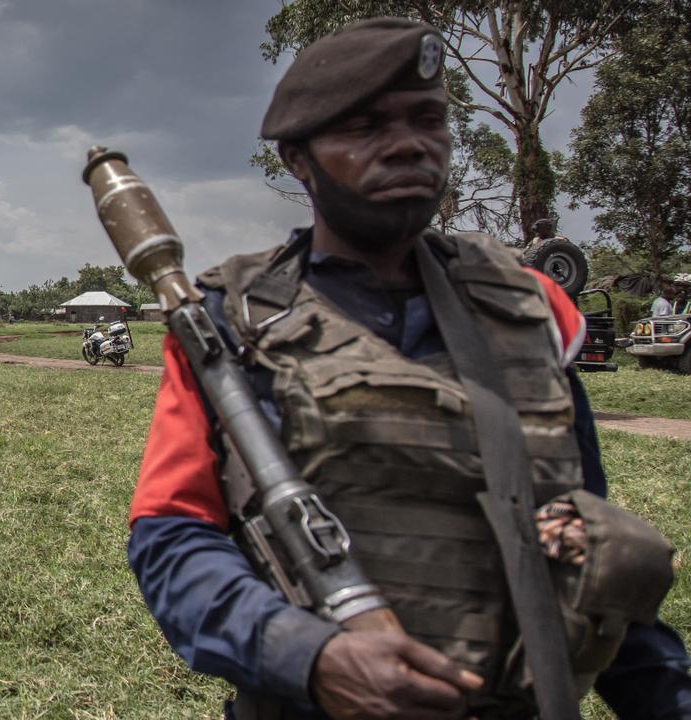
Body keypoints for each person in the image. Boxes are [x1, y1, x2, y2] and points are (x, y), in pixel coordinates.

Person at [126, 18, 691, 720]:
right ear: (298, 160)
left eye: (428, 120)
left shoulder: (532, 308)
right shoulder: (227, 321)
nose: (407, 144)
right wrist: (309, 656)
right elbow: (173, 538)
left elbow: (591, 542)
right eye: (364, 127)